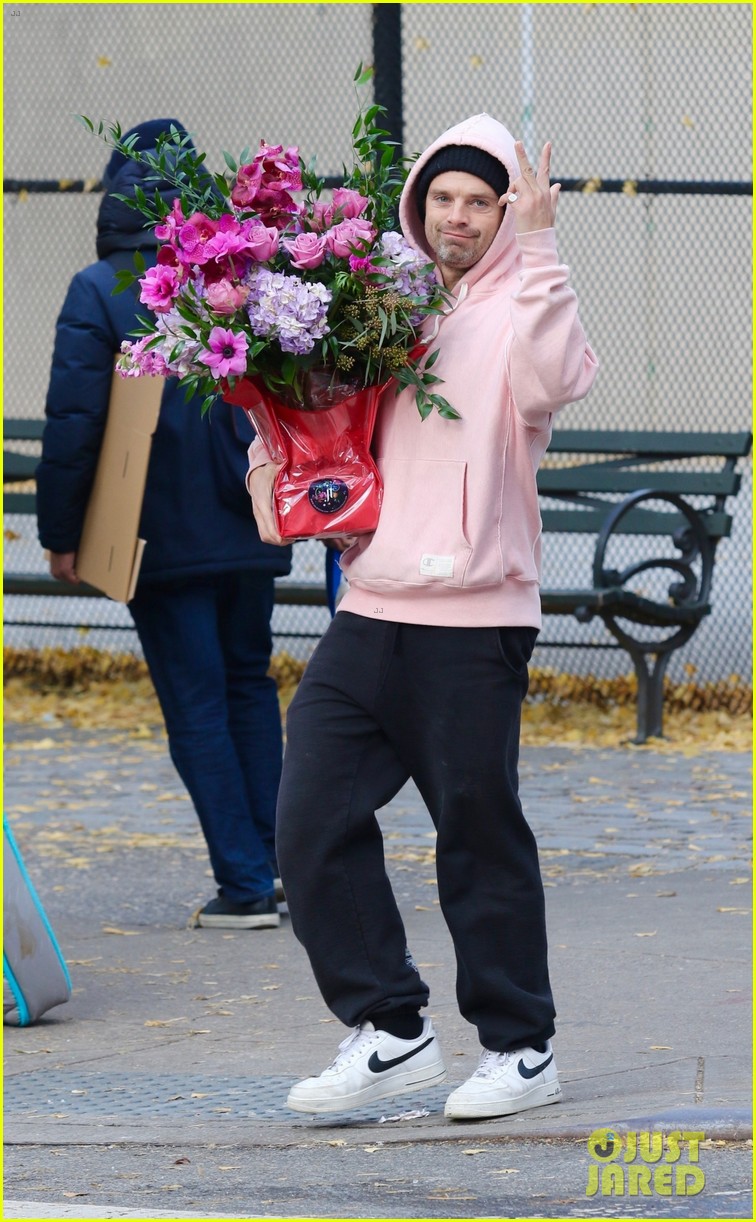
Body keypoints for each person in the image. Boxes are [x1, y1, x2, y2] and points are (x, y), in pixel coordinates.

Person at [247, 113, 598, 1118]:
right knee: (309, 816)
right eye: (441, 198)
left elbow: (555, 378)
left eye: (478, 202)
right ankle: (392, 1029)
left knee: (477, 832)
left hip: (477, 615)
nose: (455, 216)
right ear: (420, 206)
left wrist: (541, 246)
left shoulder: (524, 301)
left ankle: (523, 1046)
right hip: (372, 605)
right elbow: (336, 429)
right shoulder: (388, 311)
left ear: (503, 213)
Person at [36, 119, 293, 931]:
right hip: (246, 514)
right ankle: (283, 867)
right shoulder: (234, 276)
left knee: (198, 703)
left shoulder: (100, 288)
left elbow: (75, 422)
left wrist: (61, 531)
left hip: (155, 531)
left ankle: (246, 885)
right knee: (250, 687)